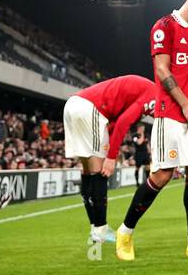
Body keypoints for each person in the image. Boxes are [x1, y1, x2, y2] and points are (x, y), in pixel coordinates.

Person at [120, 0, 188, 261]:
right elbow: (162, 70)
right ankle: (125, 232)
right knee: (163, 175)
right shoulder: (163, 26)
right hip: (173, 112)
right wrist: (186, 104)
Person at [62, 74, 156, 245]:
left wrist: (110, 150)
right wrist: (111, 157)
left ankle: (95, 227)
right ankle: (100, 229)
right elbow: (122, 122)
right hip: (90, 109)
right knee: (99, 171)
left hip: (73, 104)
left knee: (87, 170)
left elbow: (114, 125)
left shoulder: (146, 91)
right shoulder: (154, 95)